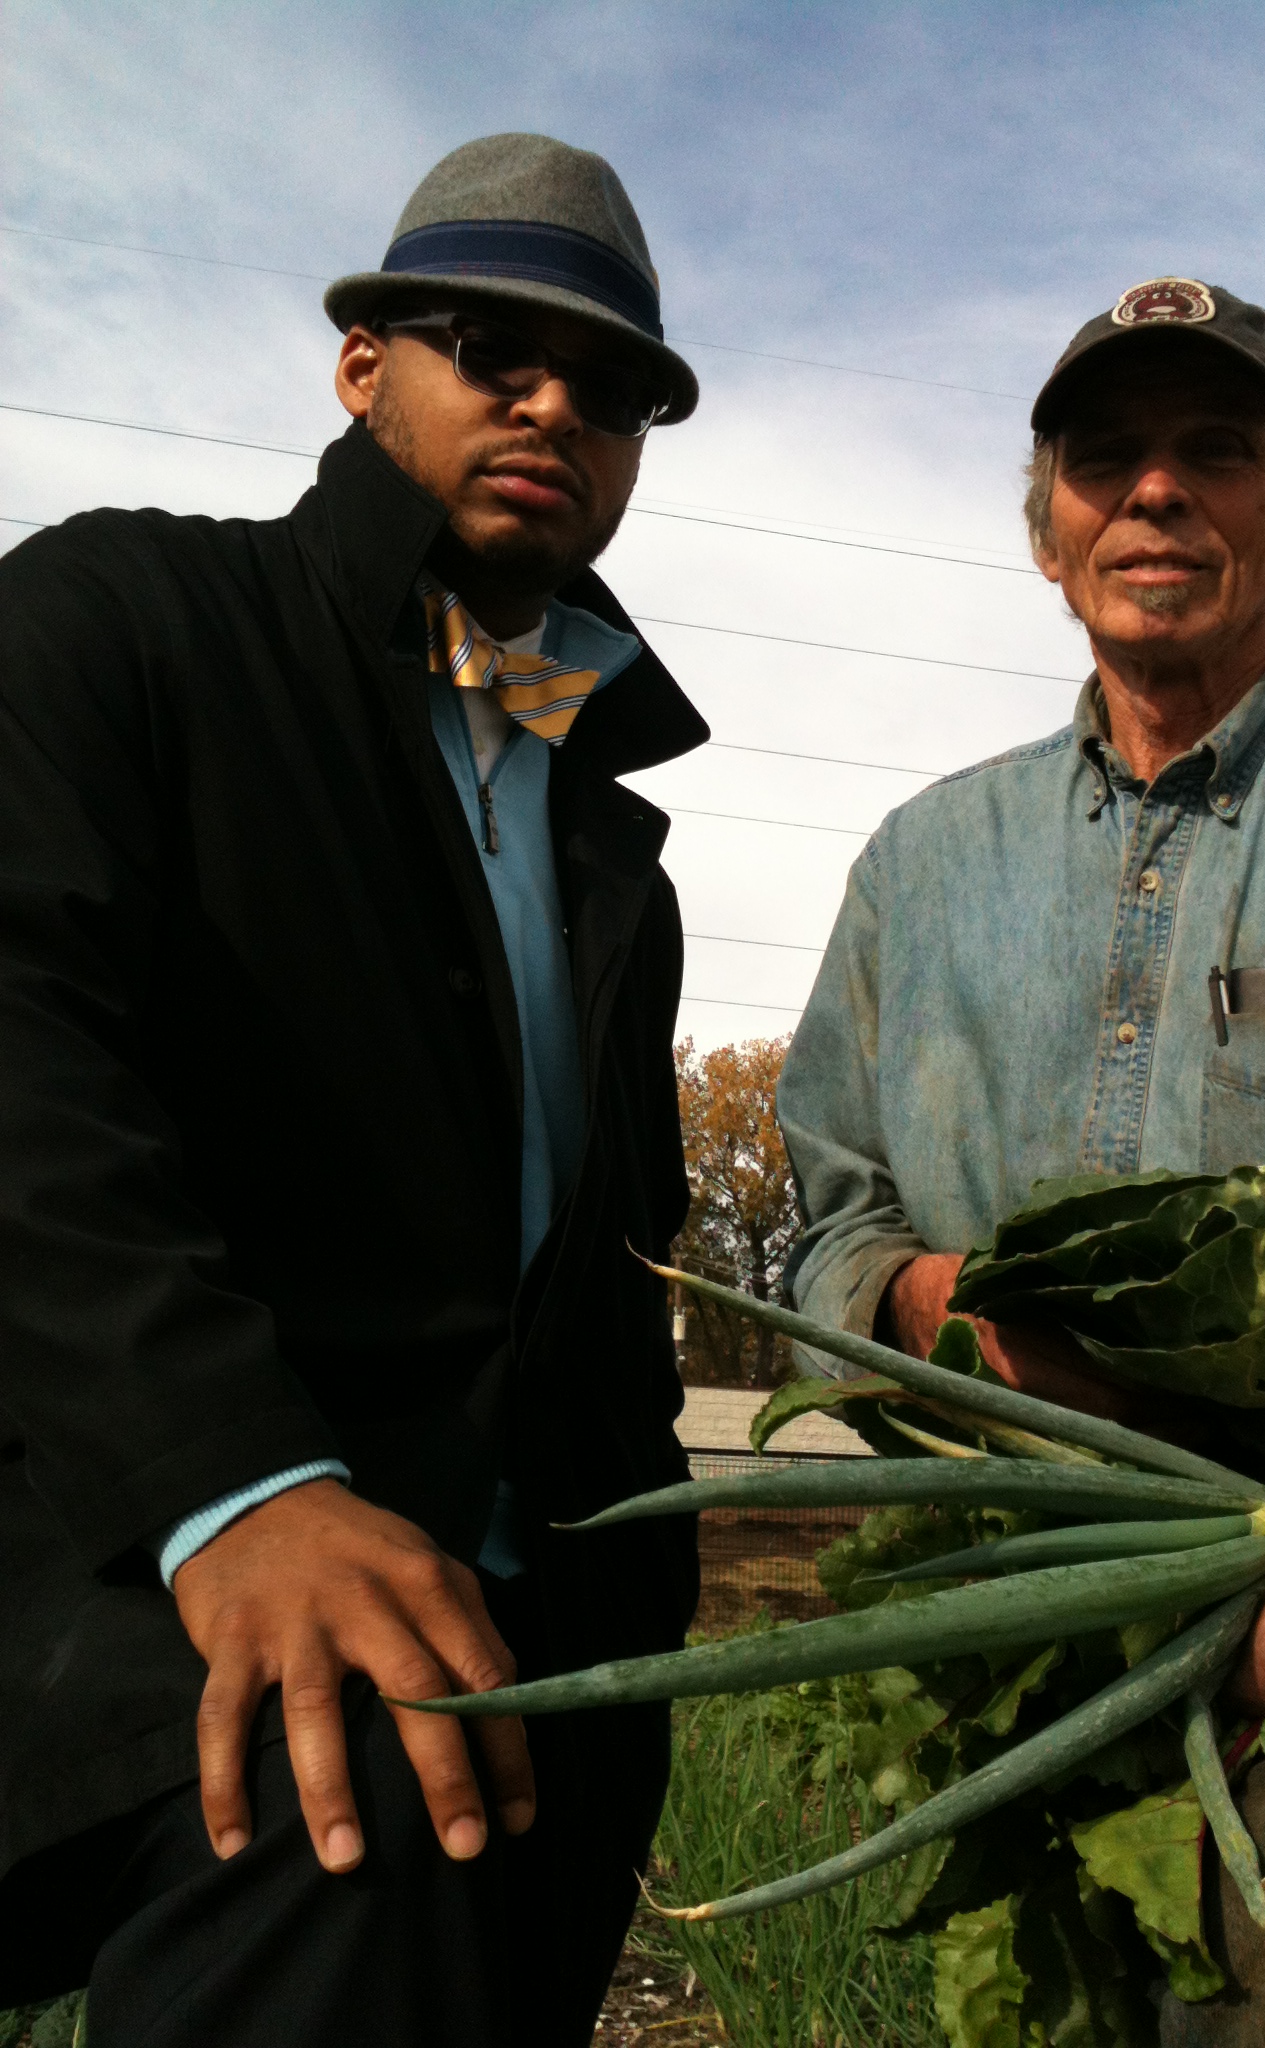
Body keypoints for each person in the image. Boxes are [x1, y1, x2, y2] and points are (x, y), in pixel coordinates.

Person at [0, 133, 707, 2046]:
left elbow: (616, 1265)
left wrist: (629, 1623)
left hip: (539, 1665)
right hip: (149, 1576)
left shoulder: (609, 836)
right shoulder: (122, 626)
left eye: (618, 384)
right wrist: (230, 1484)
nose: (555, 400)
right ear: (361, 365)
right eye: (493, 340)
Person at [777, 277, 1265, 2039]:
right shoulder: (922, 865)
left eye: (1218, 450)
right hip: (1019, 1630)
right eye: (1104, 457)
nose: (1157, 492)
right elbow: (830, 1214)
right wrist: (926, 1305)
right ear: (1047, 532)